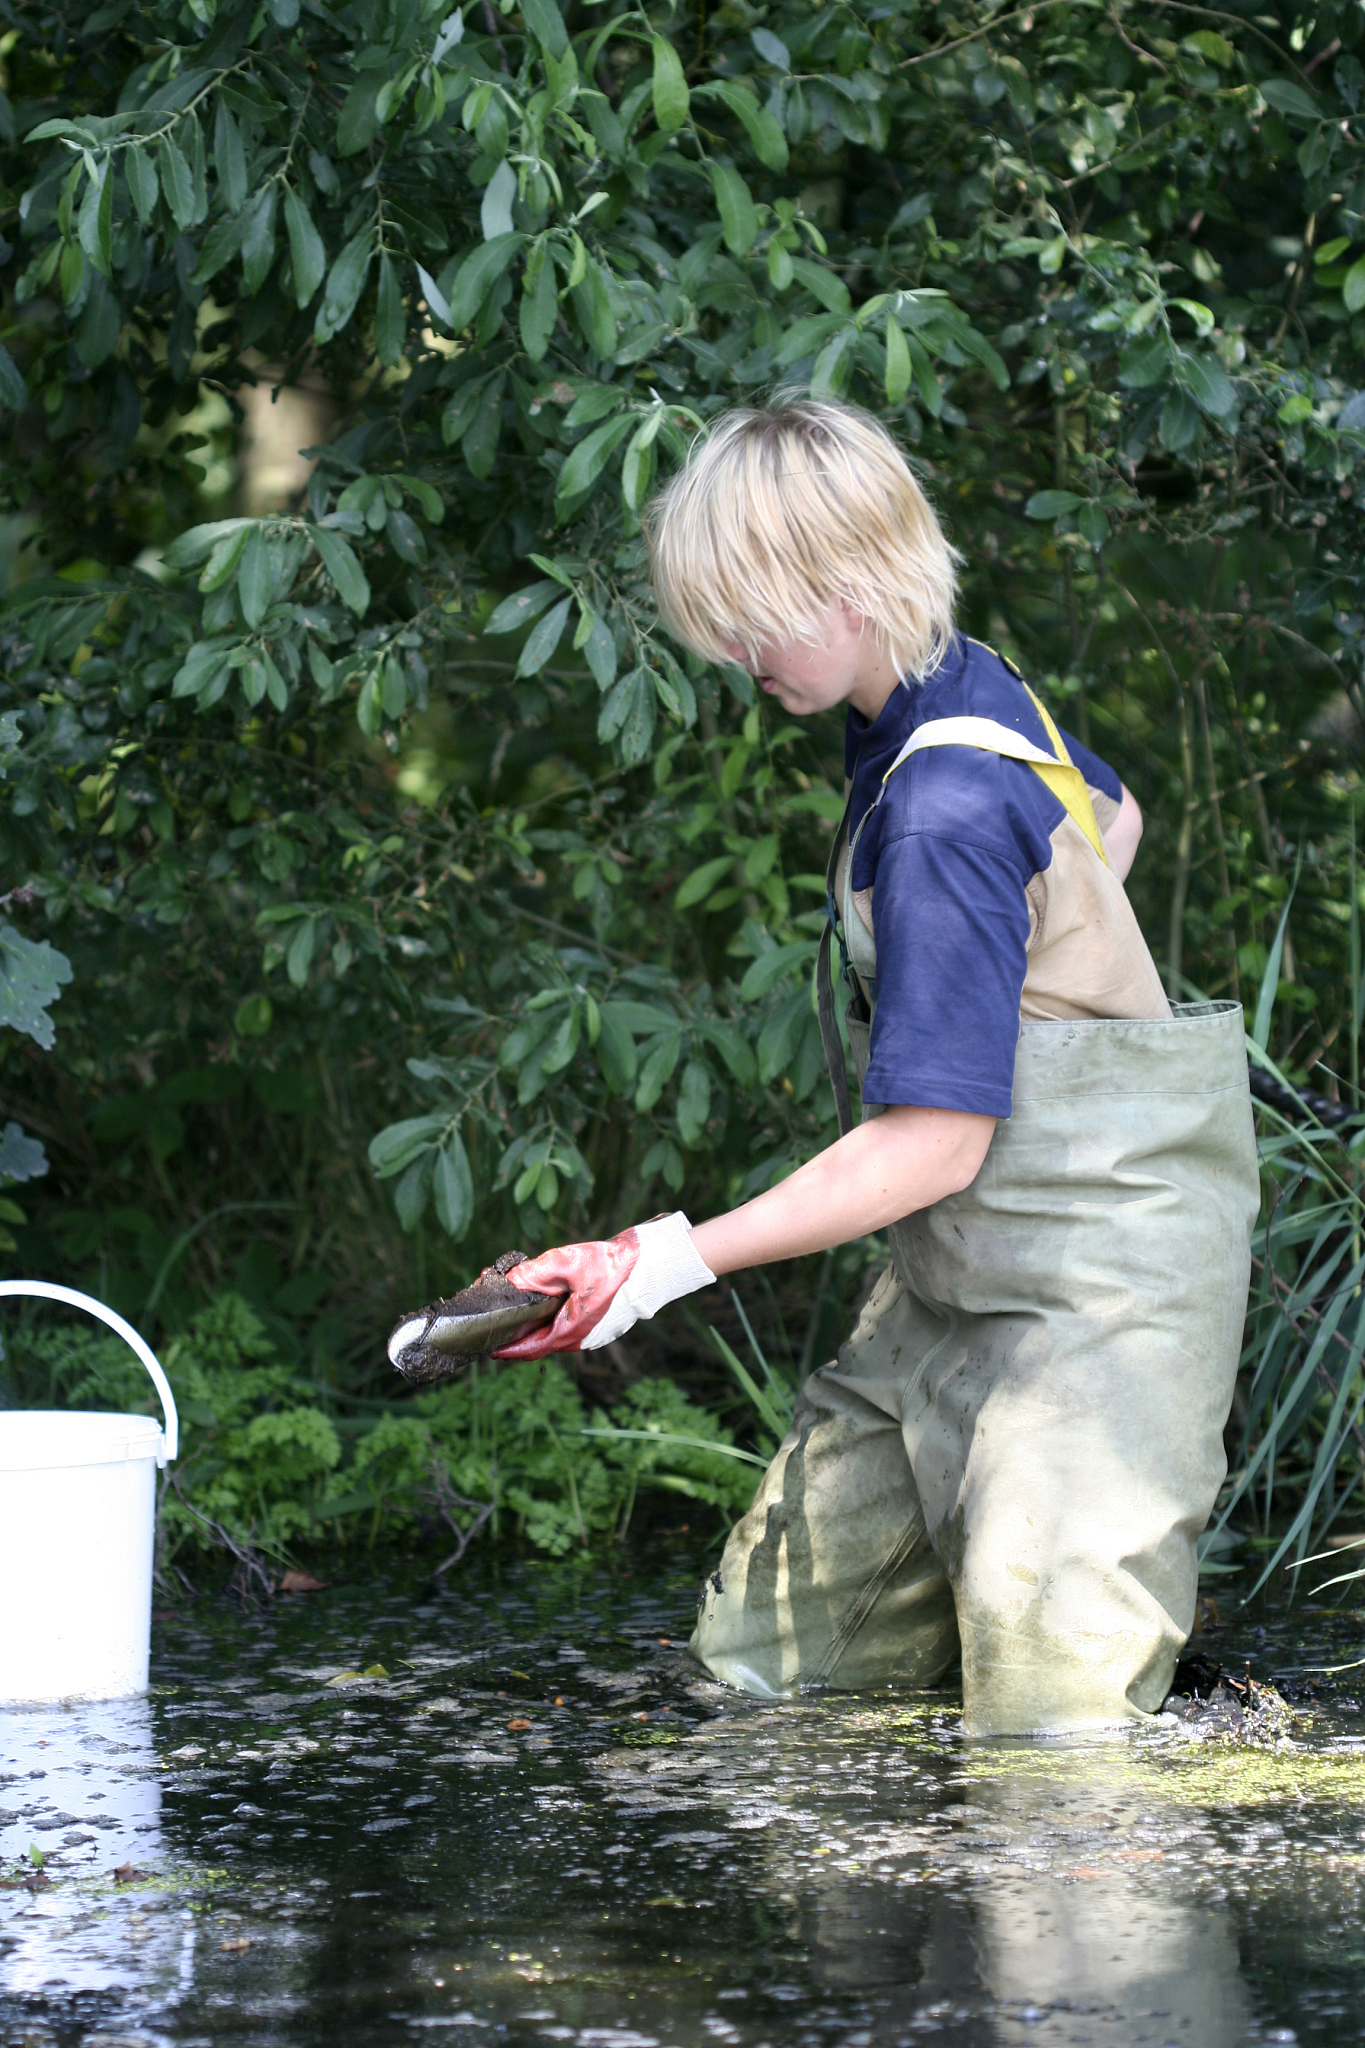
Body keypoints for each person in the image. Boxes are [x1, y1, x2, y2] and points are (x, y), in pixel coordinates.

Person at [491, 396, 1258, 1736]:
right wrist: (1033, 974)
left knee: (1056, 1743)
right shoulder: (954, 686)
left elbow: (935, 1143)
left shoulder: (941, 809)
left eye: (750, 620)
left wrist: (654, 1264)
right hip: (952, 1283)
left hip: (1100, 1300)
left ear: (848, 585)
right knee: (768, 1677)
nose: (734, 656)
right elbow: (1113, 817)